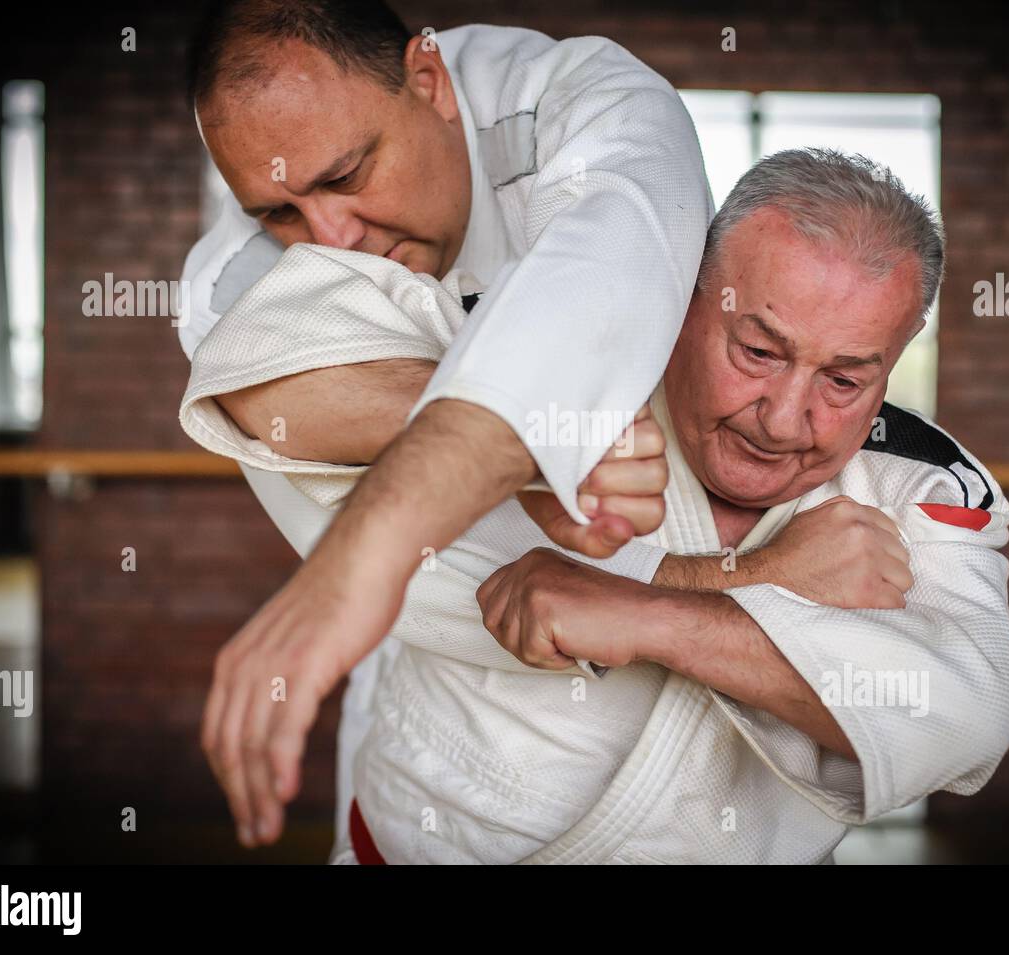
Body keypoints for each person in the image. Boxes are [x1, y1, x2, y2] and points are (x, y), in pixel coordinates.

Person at [181, 148, 1009, 863]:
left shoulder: (920, 483)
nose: (784, 416)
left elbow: (967, 715)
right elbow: (260, 363)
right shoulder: (538, 355)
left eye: (846, 379)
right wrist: (525, 424)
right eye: (758, 350)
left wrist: (642, 611)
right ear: (689, 296)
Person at [178, 0, 712, 851]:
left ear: (427, 79)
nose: (330, 239)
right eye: (280, 214)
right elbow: (266, 389)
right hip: (429, 740)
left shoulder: (585, 106)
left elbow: (603, 288)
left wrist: (363, 554)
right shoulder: (230, 276)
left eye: (347, 175)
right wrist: (550, 446)